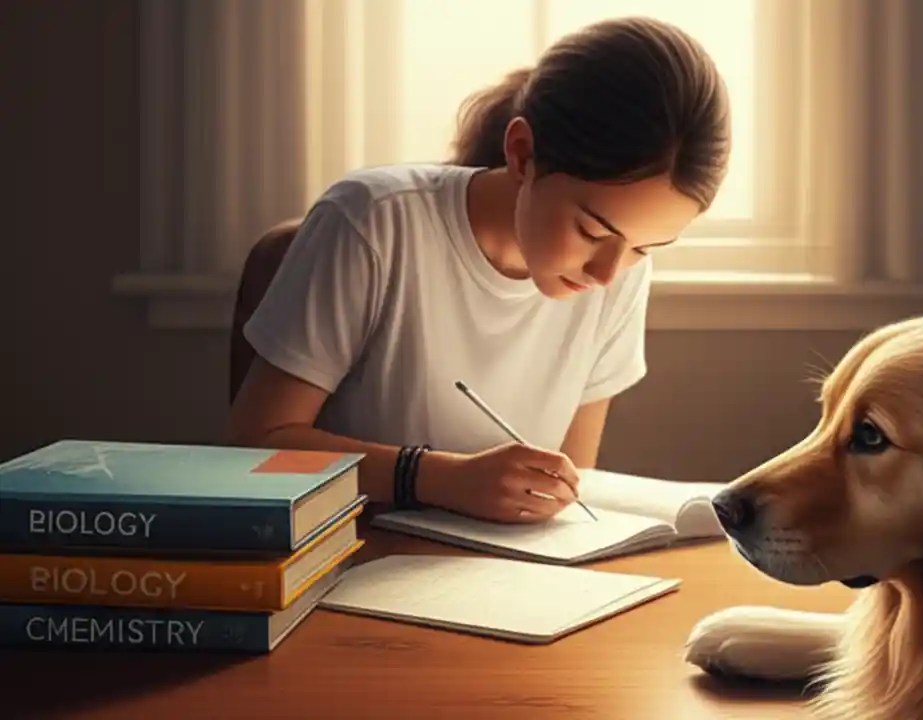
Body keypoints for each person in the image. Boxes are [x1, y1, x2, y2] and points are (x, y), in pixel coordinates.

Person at [227, 16, 731, 525]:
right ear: (522, 154)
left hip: (492, 574)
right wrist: (439, 479)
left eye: (644, 249)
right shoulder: (374, 222)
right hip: (346, 555)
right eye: (592, 232)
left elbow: (571, 476)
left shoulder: (618, 274)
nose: (607, 273)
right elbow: (256, 445)